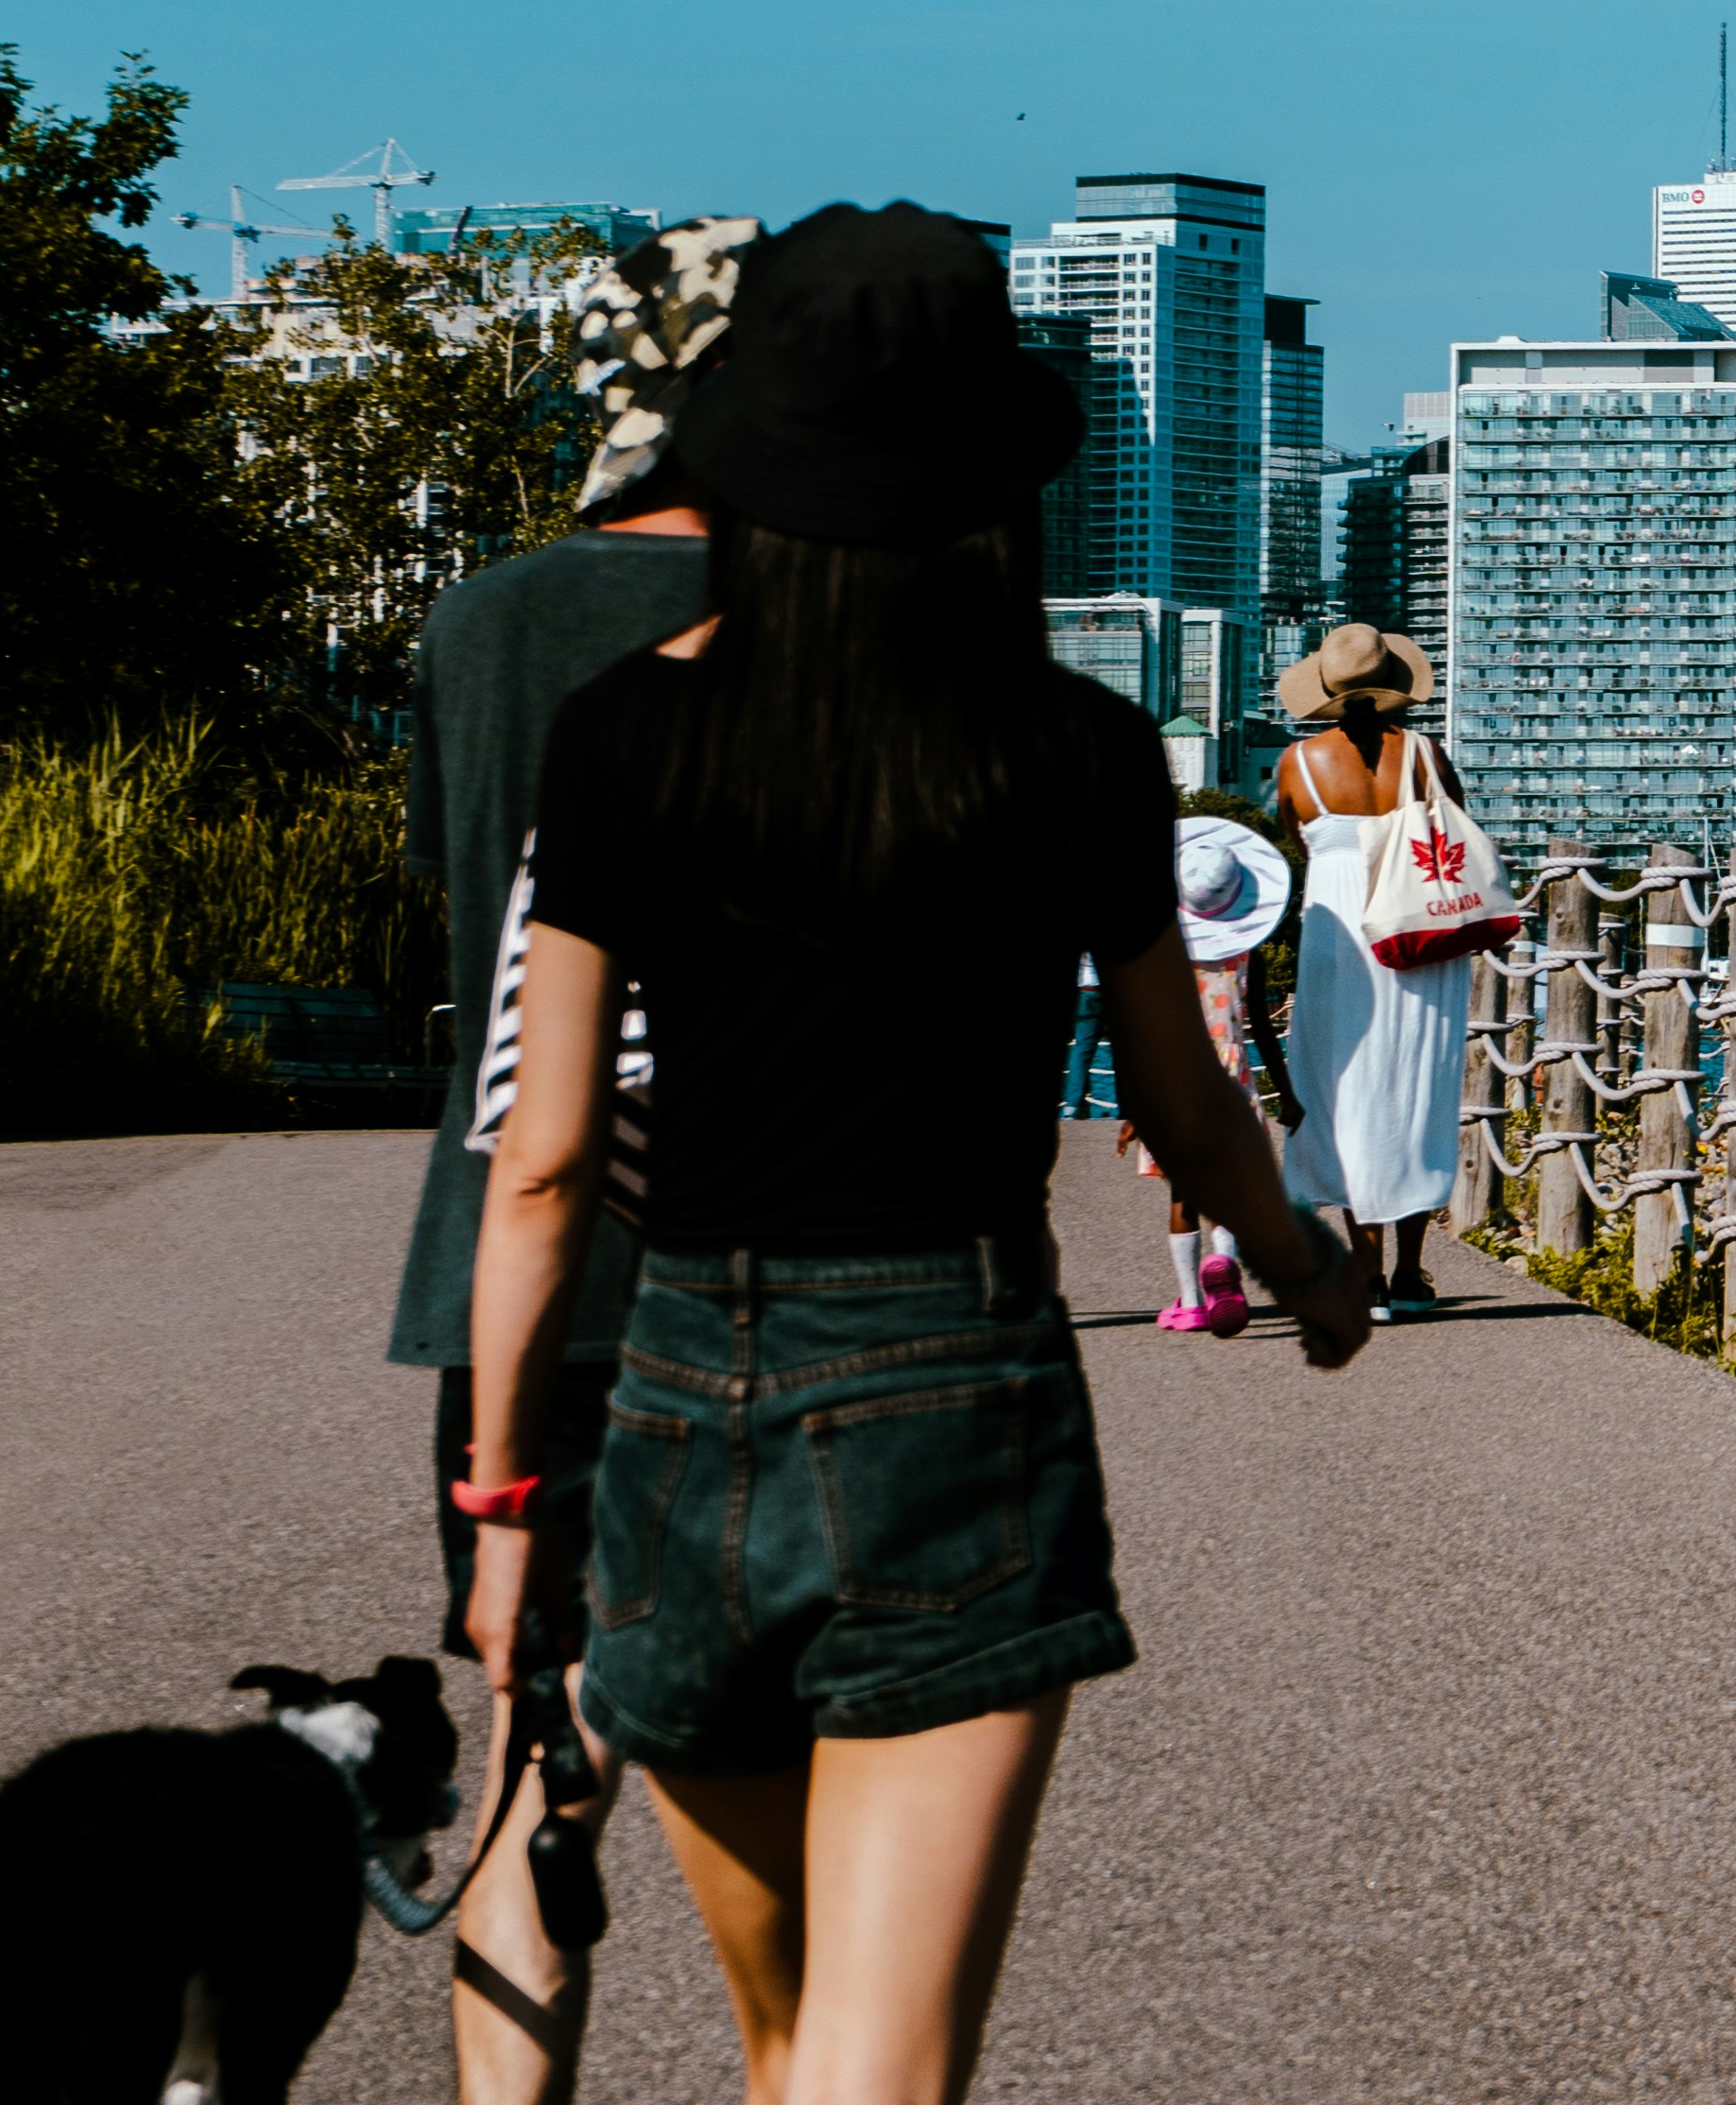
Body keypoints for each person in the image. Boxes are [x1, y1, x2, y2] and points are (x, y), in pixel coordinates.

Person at [461, 203, 1366, 2105]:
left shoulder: (618, 734)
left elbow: (540, 1159)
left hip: (687, 1398)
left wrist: (500, 1494)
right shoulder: (1082, 751)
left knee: (786, 2030)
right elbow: (1181, 1101)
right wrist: (1306, 1273)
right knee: (879, 2066)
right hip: (951, 1383)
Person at [383, 212, 758, 2104]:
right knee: (791, 1789)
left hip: (509, 1270)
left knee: (540, 1768)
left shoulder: (480, 620)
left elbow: (455, 909)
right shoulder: (817, 616)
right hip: (766, 1254)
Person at [1270, 623, 1476, 1306]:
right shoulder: (1424, 754)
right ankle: (1410, 1274)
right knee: (1415, 1091)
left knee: (1350, 1095)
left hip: (1338, 941)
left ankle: (1364, 1271)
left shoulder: (1297, 765)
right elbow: (1458, 836)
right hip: (1415, 935)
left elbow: (1297, 843)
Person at [1133, 814, 1294, 1331]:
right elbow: (1264, 1032)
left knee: (1184, 1192)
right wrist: (1287, 1094)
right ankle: (1222, 1264)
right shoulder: (1246, 954)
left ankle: (1191, 1303)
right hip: (1232, 1082)